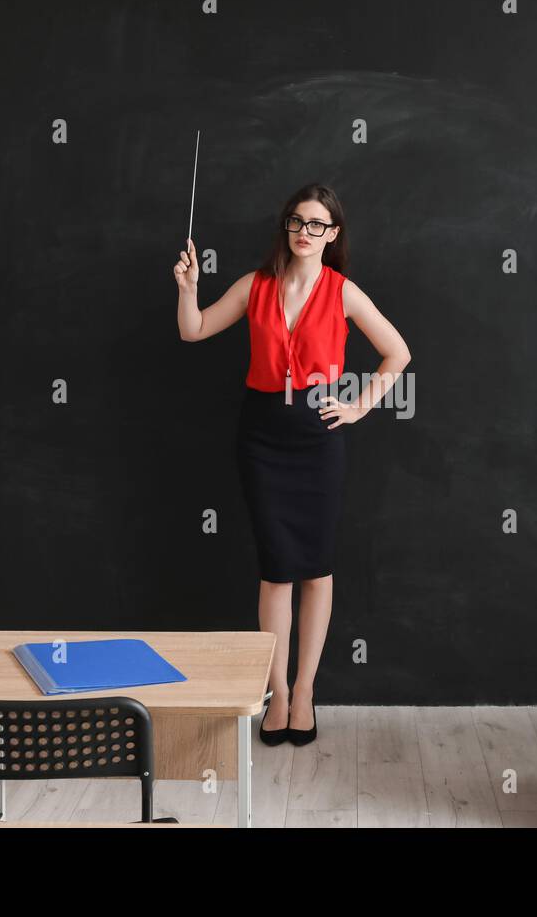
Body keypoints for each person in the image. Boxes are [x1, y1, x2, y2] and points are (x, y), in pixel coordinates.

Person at [174, 183, 411, 745]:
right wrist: (187, 289)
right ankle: (275, 693)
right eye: (297, 222)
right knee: (276, 570)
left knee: (317, 569)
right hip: (260, 438)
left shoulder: (343, 291)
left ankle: (305, 690)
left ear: (333, 235)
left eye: (318, 225)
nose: (305, 233)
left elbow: (396, 353)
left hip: (317, 437)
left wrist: (356, 407)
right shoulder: (255, 286)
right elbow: (194, 329)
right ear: (286, 227)